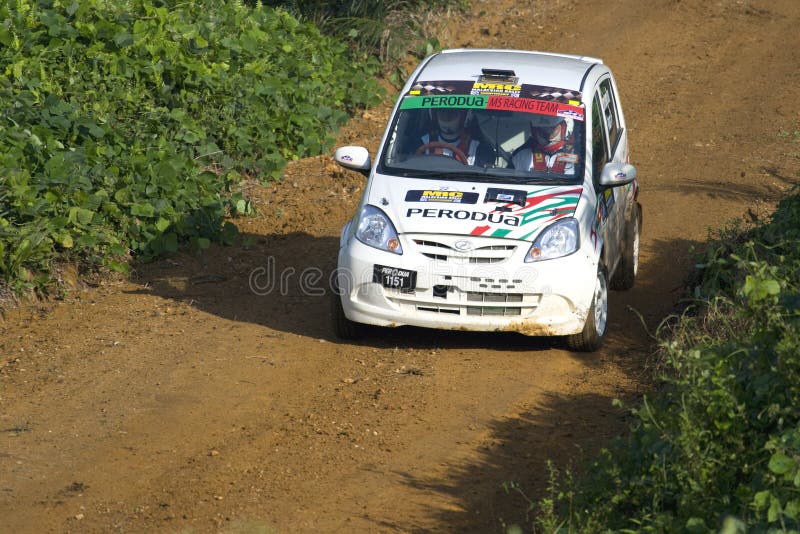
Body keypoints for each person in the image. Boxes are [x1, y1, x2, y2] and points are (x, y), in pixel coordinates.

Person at [416, 109, 493, 166]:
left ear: (464, 117)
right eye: (442, 113)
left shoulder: (478, 148)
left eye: (452, 114)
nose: (447, 118)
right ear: (434, 116)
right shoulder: (421, 142)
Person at [512, 115, 578, 175]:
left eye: (552, 128)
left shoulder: (577, 154)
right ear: (534, 130)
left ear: (563, 127)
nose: (548, 132)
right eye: (543, 128)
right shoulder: (520, 155)